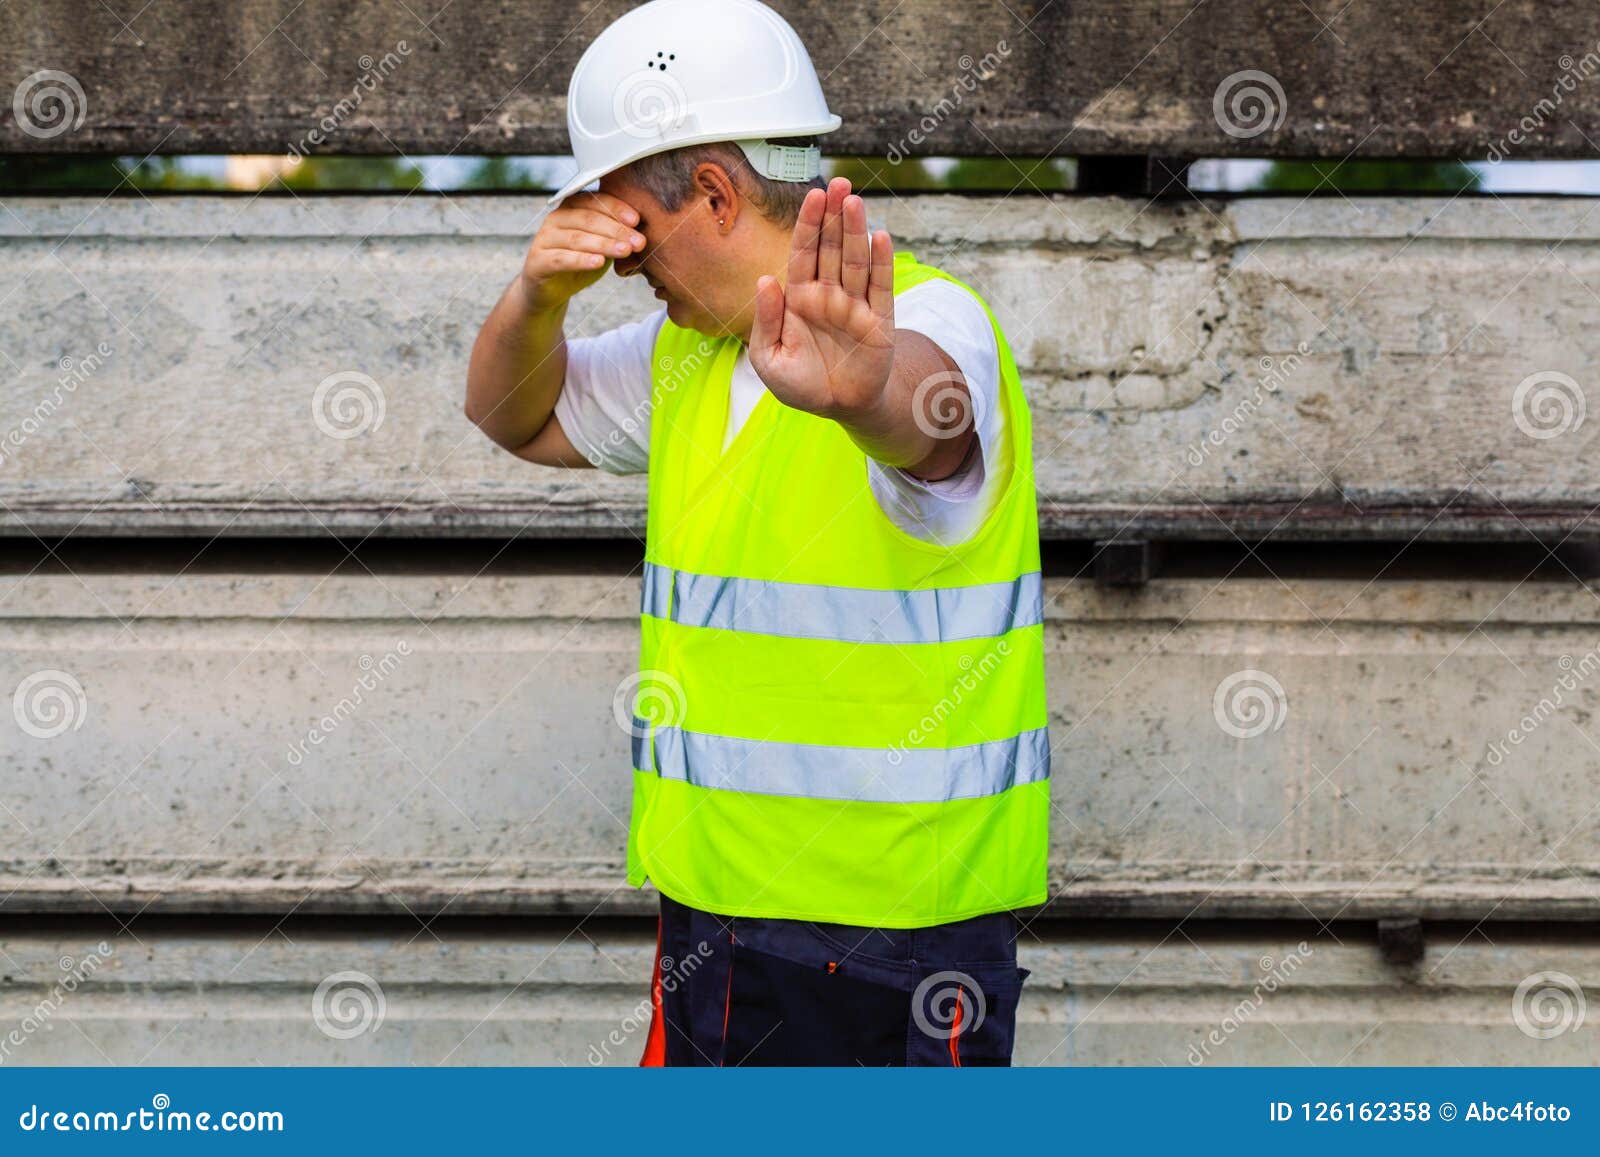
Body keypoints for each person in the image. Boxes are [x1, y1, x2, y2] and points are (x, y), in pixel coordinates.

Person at [465, 0, 1049, 1066]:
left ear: (717, 193)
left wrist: (866, 396)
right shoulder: (686, 353)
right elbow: (513, 414)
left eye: (631, 225)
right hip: (712, 910)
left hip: (890, 940)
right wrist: (535, 296)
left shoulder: (926, 322)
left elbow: (935, 421)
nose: (624, 258)